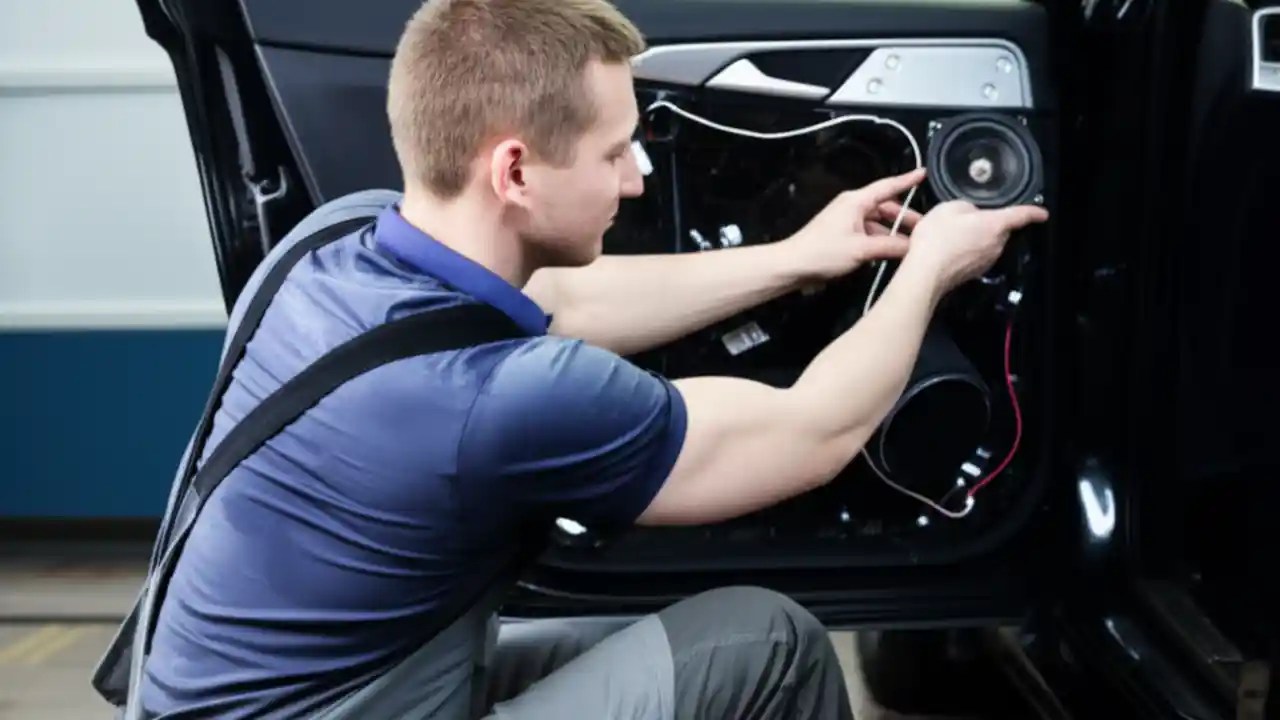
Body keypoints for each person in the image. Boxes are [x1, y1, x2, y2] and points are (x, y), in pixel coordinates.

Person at [135, 0, 1049, 717]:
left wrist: (798, 257)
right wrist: (932, 269)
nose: (637, 177)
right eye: (614, 153)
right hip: (348, 705)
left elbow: (568, 304)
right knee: (766, 645)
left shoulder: (336, 242)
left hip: (274, 694)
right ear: (514, 172)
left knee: (614, 639)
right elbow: (812, 432)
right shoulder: (497, 398)